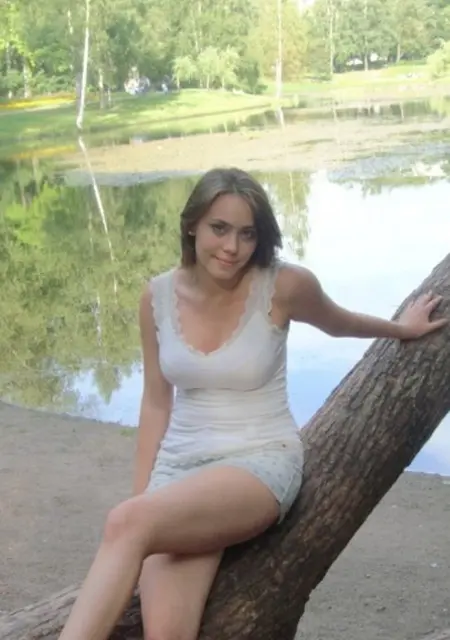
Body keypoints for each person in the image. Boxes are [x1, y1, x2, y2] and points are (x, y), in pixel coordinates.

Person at [59, 167, 447, 640]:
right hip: (178, 470)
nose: (232, 247)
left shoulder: (282, 285)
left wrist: (402, 328)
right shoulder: (155, 297)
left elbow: (339, 322)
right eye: (219, 228)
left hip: (258, 462)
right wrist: (145, 497)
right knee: (165, 630)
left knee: (125, 521)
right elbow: (156, 402)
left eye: (247, 234)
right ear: (192, 226)